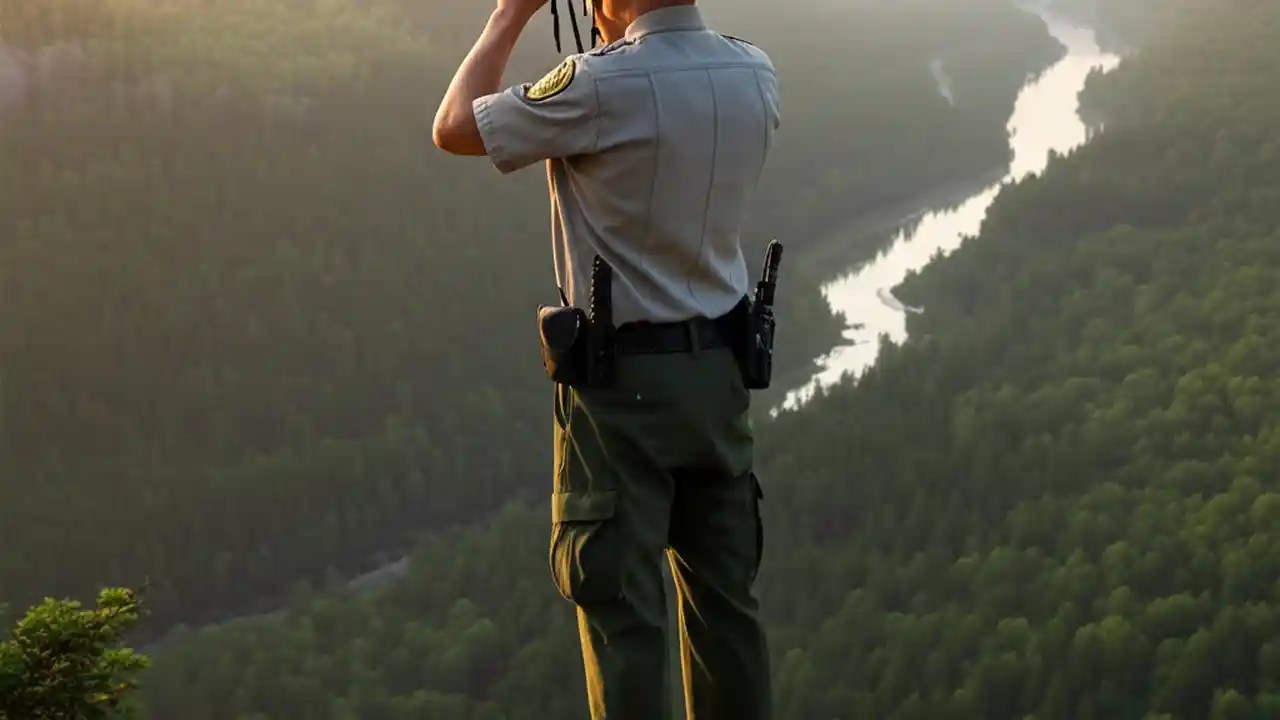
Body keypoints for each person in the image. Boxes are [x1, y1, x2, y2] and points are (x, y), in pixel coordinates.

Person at [433, 0, 778, 717]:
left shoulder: (596, 85)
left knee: (622, 612)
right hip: (720, 378)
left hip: (624, 394)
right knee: (726, 612)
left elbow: (455, 127)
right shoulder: (754, 71)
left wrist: (507, 16)